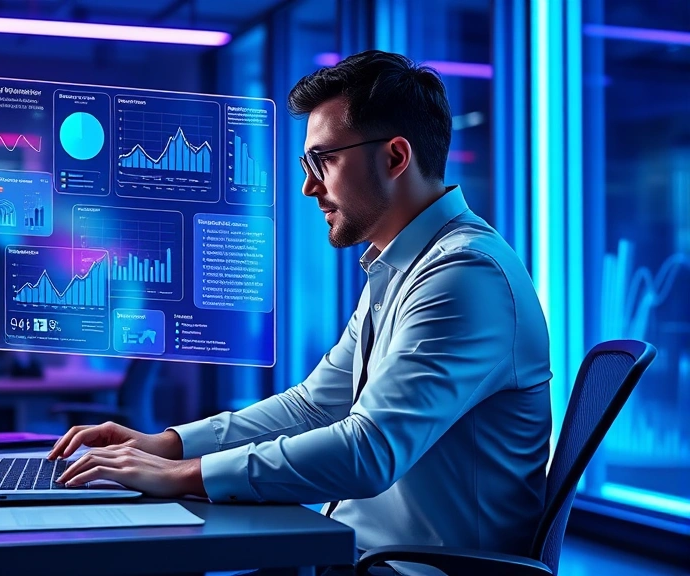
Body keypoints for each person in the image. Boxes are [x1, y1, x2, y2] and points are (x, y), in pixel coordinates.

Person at [50, 50, 552, 576]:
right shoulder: (403, 265)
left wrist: (183, 474)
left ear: (395, 158)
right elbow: (315, 406)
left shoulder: (464, 276)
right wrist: (167, 446)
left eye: (323, 161)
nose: (309, 186)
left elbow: (370, 450)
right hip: (359, 558)